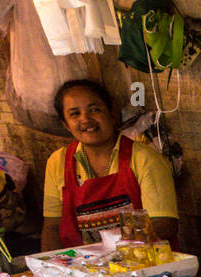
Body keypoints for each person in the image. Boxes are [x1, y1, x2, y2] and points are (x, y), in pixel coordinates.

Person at [40, 79, 178, 251]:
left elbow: (165, 224)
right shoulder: (58, 161)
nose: (86, 119)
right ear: (65, 125)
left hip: (144, 265)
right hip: (84, 271)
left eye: (95, 110)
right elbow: (52, 225)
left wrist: (113, 243)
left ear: (112, 114)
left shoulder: (145, 158)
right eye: (75, 114)